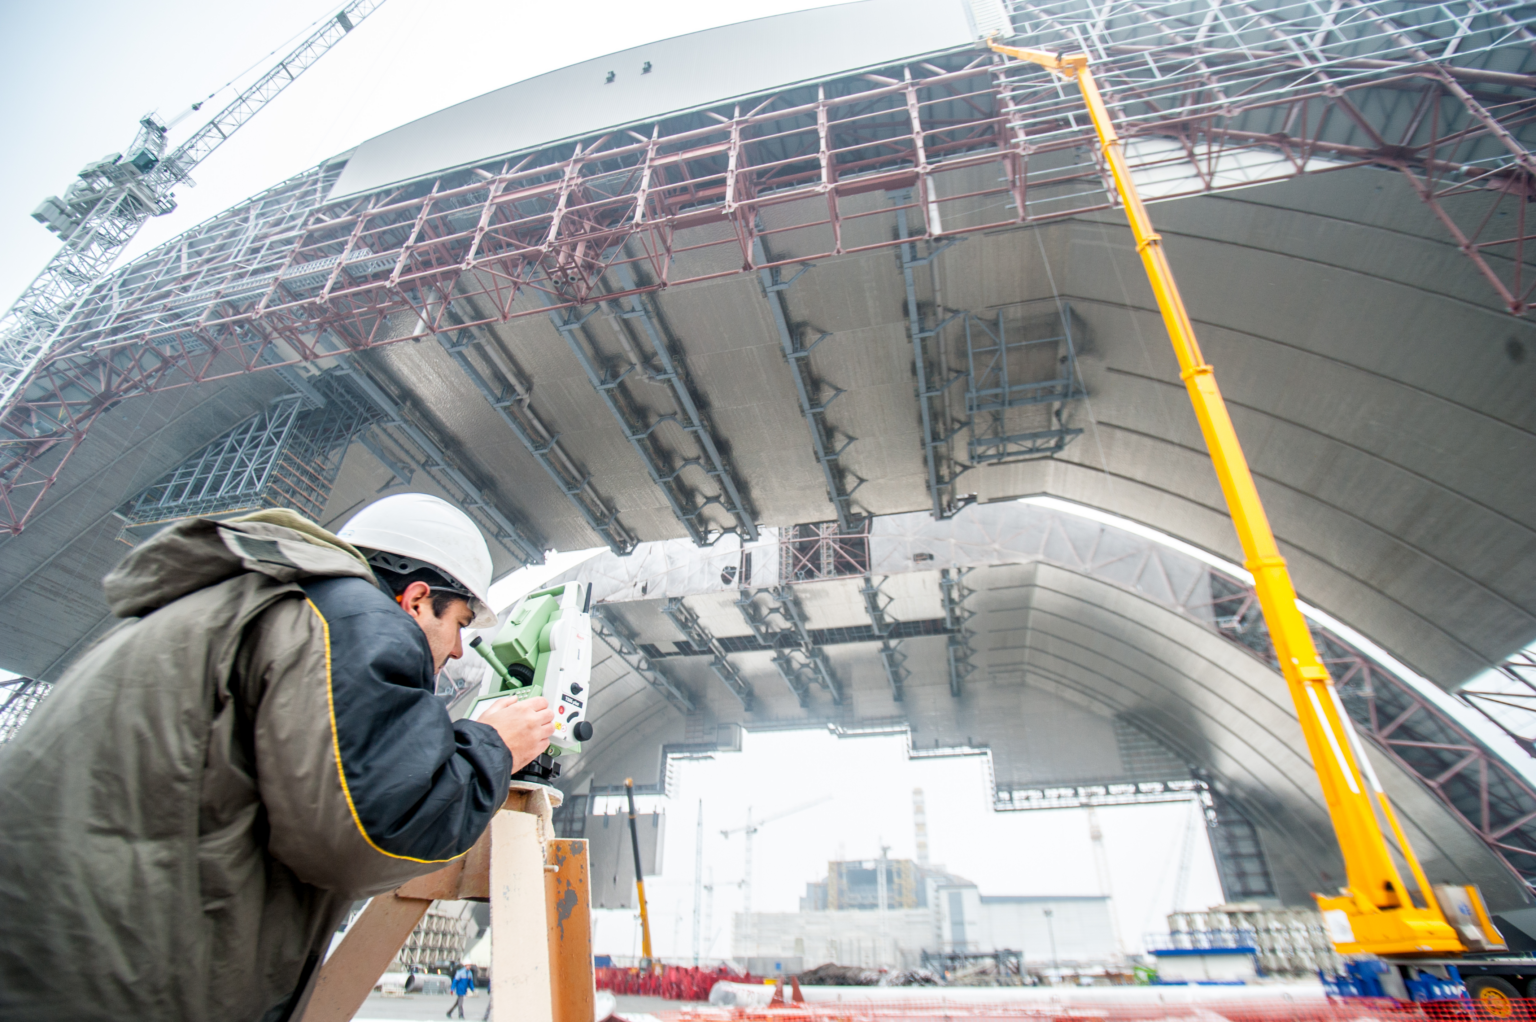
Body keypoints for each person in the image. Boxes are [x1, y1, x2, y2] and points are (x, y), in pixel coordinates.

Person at [0, 494, 556, 1022]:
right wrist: (491, 746)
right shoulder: (354, 618)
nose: (459, 648)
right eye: (459, 621)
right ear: (414, 599)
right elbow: (374, 830)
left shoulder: (245, 608)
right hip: (124, 988)